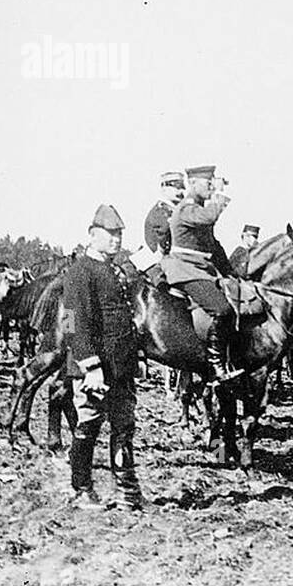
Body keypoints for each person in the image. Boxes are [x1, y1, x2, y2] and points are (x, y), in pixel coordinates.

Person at [61, 204, 143, 510]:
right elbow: (71, 323)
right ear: (92, 235)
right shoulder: (80, 271)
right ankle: (81, 489)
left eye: (119, 234)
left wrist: (136, 358)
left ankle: (127, 493)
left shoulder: (114, 271)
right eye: (110, 234)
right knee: (90, 424)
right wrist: (89, 366)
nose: (116, 240)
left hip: (121, 366)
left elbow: (122, 319)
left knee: (124, 426)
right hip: (93, 369)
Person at [162, 164, 240, 382]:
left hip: (201, 269)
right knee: (222, 310)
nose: (211, 187)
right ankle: (215, 363)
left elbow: (213, 246)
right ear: (193, 183)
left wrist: (230, 273)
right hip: (185, 270)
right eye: (208, 183)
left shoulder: (196, 206)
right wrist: (220, 194)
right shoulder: (187, 208)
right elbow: (208, 217)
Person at [139, 170, 185, 284]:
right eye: (176, 187)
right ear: (164, 188)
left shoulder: (175, 211)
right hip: (159, 259)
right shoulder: (161, 212)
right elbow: (163, 240)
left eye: (182, 187)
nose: (180, 191)